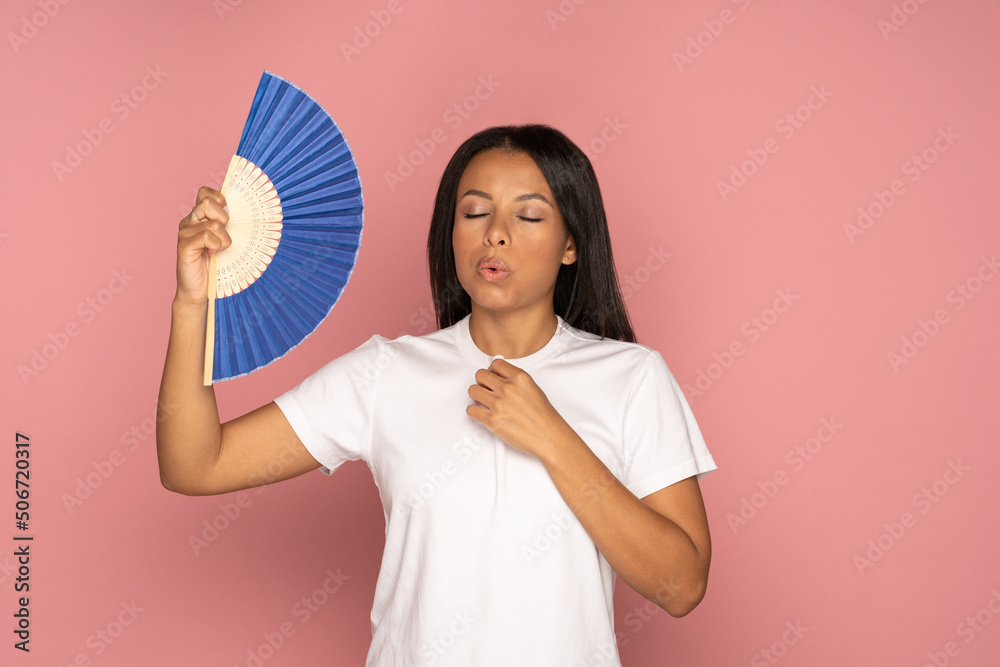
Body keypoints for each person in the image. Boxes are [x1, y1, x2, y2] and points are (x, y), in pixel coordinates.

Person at [157, 124, 716, 666]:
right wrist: (192, 305)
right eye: (474, 213)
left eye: (528, 215)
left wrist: (554, 439)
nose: (496, 233)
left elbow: (682, 586)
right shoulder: (384, 373)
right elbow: (195, 465)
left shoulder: (632, 377)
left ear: (571, 244)